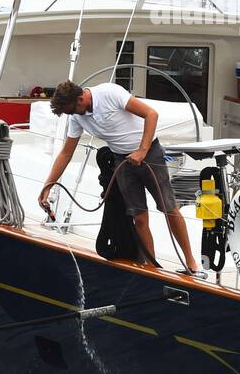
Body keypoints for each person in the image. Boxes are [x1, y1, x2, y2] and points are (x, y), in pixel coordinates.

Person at [41, 80, 205, 278]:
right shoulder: (76, 116)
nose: (73, 115)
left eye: (72, 110)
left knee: (168, 208)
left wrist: (142, 150)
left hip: (149, 153)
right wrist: (47, 186)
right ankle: (152, 270)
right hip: (123, 161)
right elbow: (66, 154)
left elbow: (151, 114)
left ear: (80, 98)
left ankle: (191, 263)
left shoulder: (109, 93)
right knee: (139, 217)